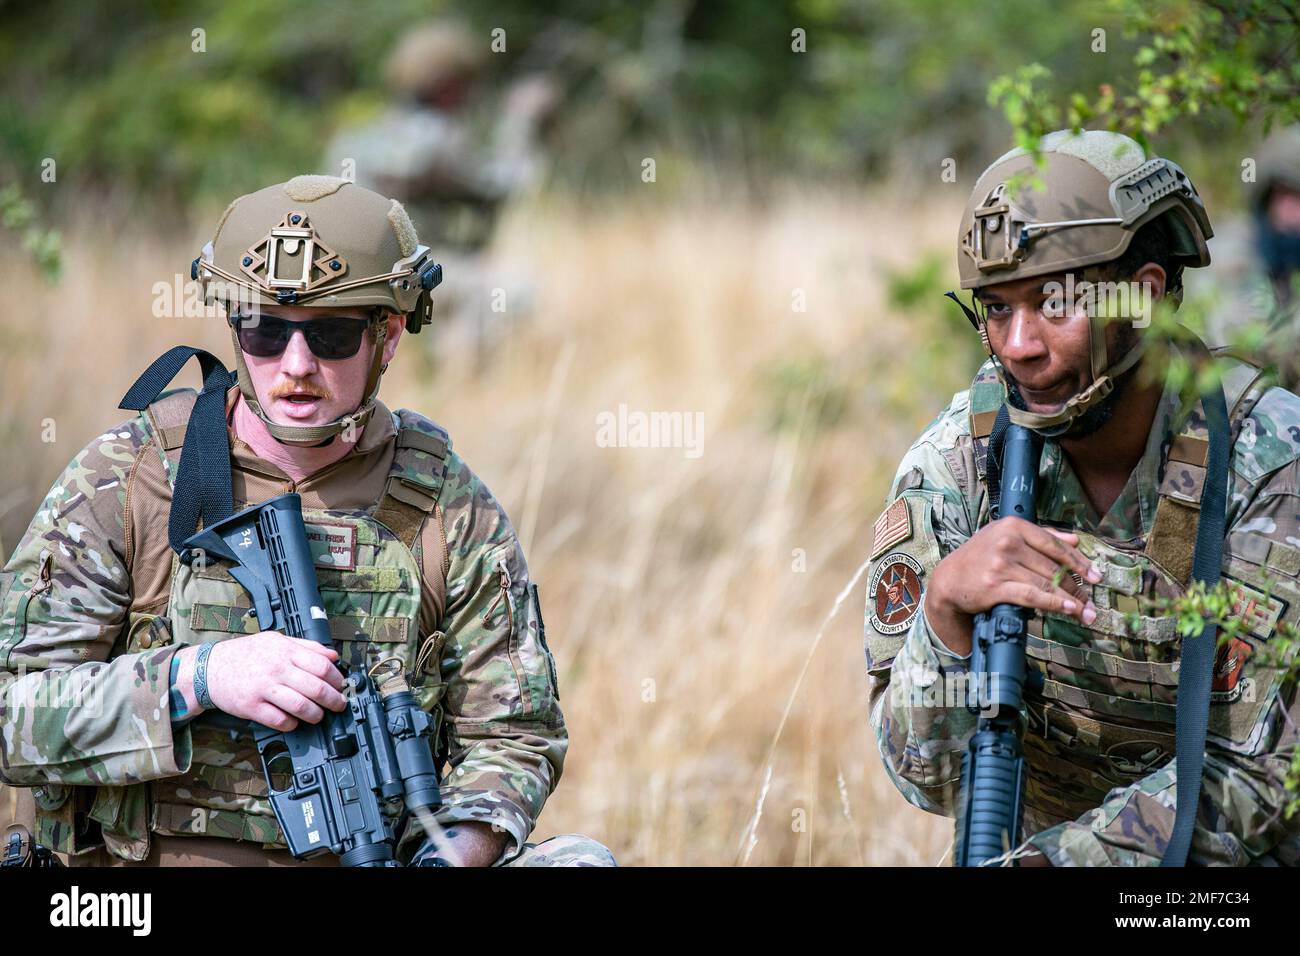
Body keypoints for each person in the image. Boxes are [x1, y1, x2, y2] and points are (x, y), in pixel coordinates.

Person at [0, 174, 613, 867]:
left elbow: (514, 734)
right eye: (264, 331)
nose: (296, 367)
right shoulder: (129, 479)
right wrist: (196, 678)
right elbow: (13, 717)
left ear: (387, 338)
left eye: (330, 335)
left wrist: (452, 854)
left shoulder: (447, 506)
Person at [864, 129, 1300, 865]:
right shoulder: (959, 463)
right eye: (996, 309)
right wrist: (944, 613)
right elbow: (926, 777)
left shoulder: (1270, 463)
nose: (1019, 345)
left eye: (1054, 302)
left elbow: (1263, 779)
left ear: (1146, 296)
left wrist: (1049, 864)